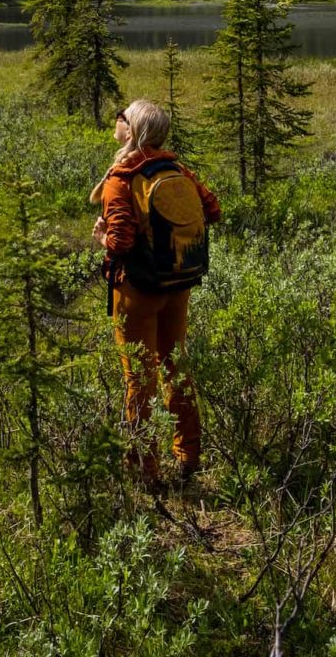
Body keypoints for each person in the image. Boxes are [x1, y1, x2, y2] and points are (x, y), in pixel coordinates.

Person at [91, 98, 220, 482]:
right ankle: (188, 454)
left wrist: (102, 239)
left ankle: (144, 470)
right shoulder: (178, 169)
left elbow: (122, 243)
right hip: (178, 285)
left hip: (137, 292)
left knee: (139, 379)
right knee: (176, 368)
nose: (117, 120)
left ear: (131, 131)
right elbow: (212, 211)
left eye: (122, 116)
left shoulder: (122, 177)